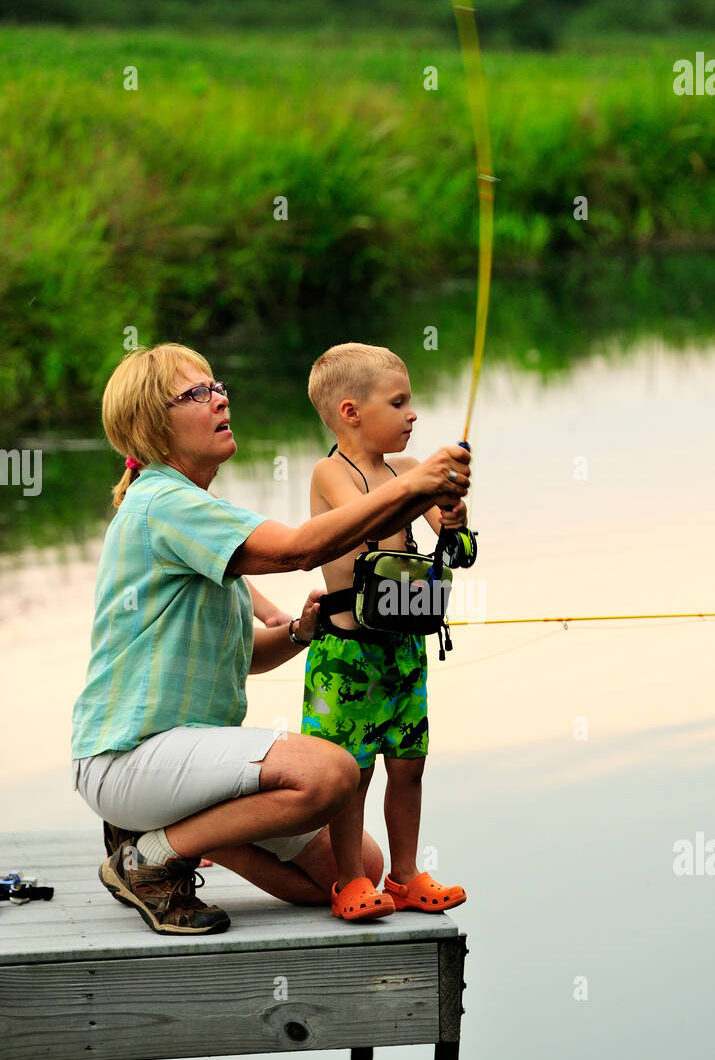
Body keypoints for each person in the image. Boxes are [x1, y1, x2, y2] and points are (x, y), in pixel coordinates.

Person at [70, 343, 470, 934]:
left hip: (183, 765)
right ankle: (149, 859)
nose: (220, 400)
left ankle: (169, 836)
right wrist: (416, 486)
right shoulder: (164, 502)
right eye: (196, 394)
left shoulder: (196, 510)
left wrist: (301, 632)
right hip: (130, 757)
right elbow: (297, 549)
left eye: (217, 387)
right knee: (331, 772)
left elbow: (248, 659)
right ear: (154, 424)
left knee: (358, 868)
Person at [301, 342, 468, 921]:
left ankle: (404, 875)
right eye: (398, 404)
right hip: (346, 654)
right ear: (351, 413)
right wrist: (423, 487)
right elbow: (369, 520)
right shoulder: (330, 473)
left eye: (410, 403)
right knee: (352, 774)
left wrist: (453, 513)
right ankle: (350, 880)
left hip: (404, 651)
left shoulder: (407, 471)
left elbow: (460, 551)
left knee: (408, 765)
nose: (412, 415)